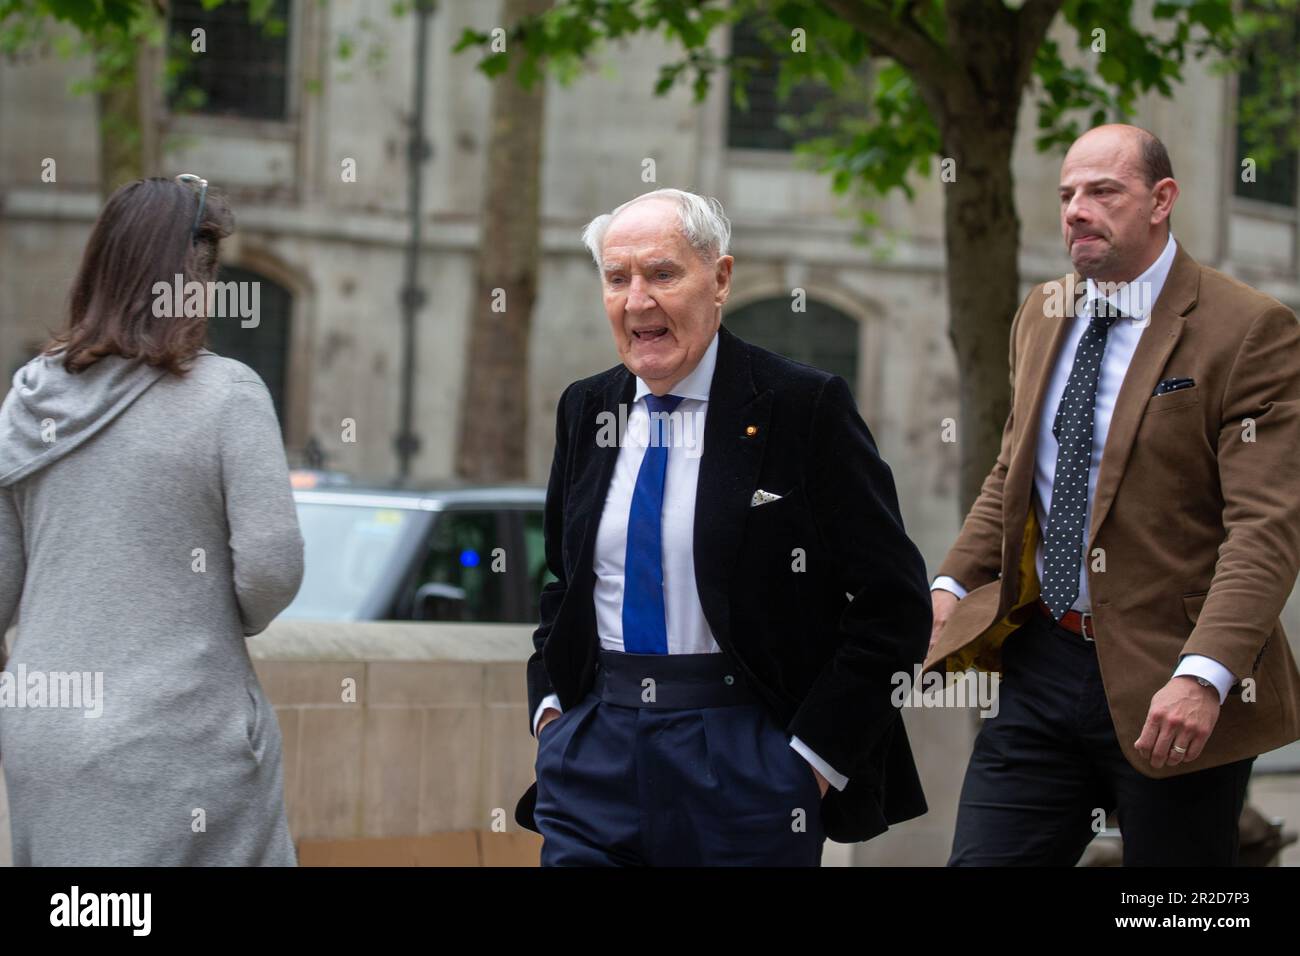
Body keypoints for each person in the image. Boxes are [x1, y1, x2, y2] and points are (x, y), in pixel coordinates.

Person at [513, 187, 932, 865]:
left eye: (662, 274)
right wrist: (552, 714)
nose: (638, 301)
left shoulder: (801, 406)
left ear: (720, 279)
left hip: (746, 760)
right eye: (617, 279)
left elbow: (895, 605)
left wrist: (810, 762)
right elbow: (564, 580)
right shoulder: (587, 407)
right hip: (593, 754)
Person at [928, 125, 1300, 866]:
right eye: (1067, 194)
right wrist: (953, 581)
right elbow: (1013, 469)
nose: (1076, 210)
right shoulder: (1042, 312)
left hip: (1174, 677)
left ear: (1162, 200)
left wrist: (1205, 675)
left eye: (1103, 191)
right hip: (1042, 663)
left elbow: (1266, 527)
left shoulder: (1249, 329)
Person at [0, 175, 304, 865]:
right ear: (194, 277)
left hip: (41, 739)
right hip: (180, 736)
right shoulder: (227, 394)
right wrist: (203, 616)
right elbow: (272, 569)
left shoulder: (27, 402)